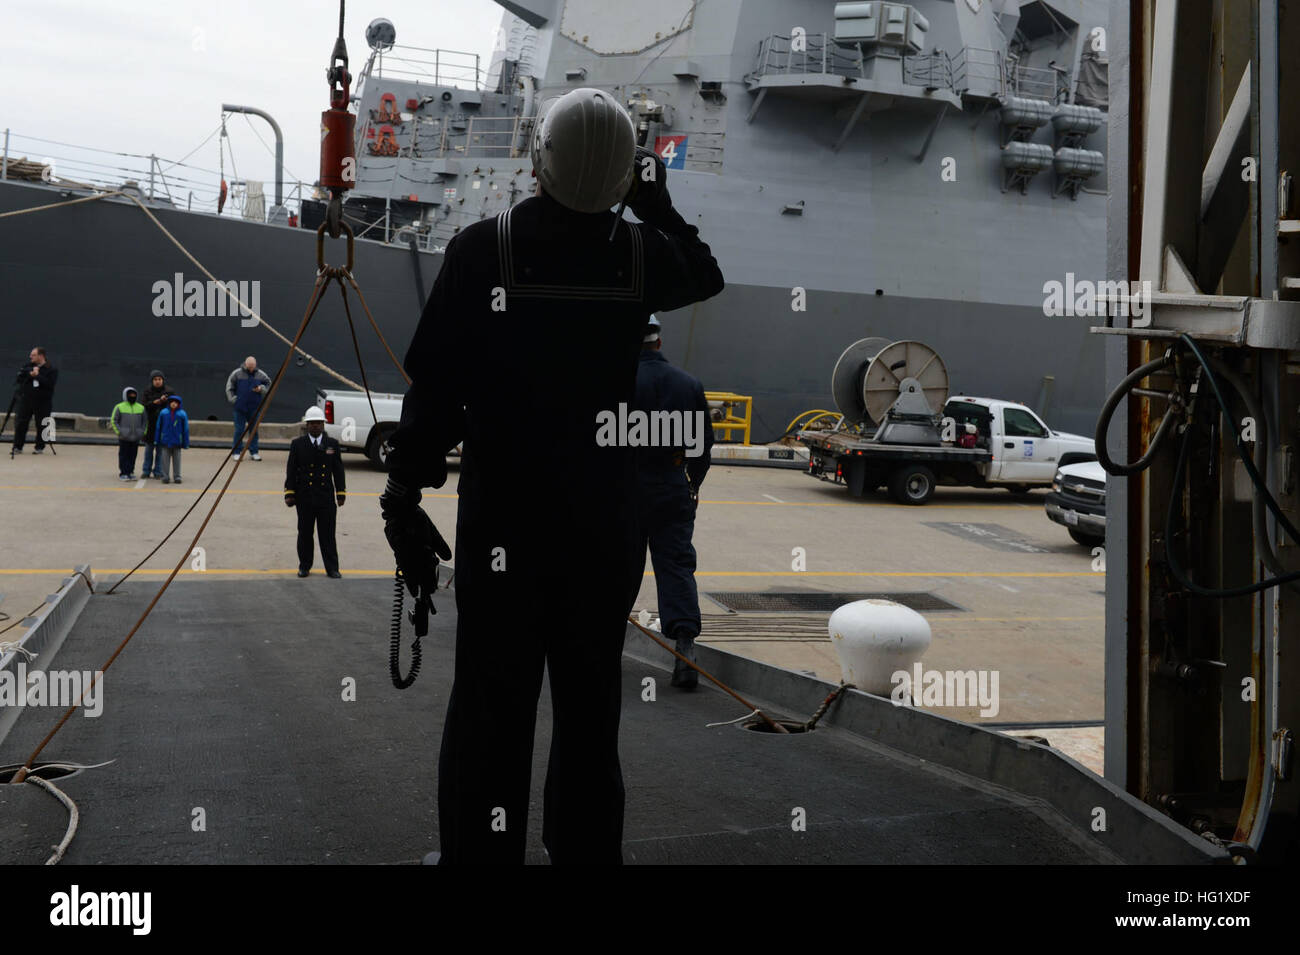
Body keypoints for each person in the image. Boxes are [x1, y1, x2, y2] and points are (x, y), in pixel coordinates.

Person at [379, 87, 725, 864]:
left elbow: (434, 393)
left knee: (489, 709)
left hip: (505, 519)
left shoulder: (481, 249)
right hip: (604, 523)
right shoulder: (638, 256)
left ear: (540, 160)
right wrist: (652, 203)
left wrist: (404, 493)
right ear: (618, 178)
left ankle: (478, 854)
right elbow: (705, 271)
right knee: (589, 705)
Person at [627, 315, 713, 689]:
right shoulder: (688, 384)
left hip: (624, 490)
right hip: (672, 486)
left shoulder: (613, 381)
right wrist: (691, 485)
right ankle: (685, 650)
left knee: (615, 569)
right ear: (659, 342)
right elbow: (703, 448)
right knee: (676, 567)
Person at [284, 406, 346, 578]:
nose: (316, 426)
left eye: (319, 423)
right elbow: (291, 469)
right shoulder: (298, 444)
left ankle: (332, 568)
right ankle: (305, 565)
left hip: (325, 497)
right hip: (305, 497)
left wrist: (341, 493)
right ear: (307, 425)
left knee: (327, 535)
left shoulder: (332, 444)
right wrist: (289, 493)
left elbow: (338, 470)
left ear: (323, 425)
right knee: (304, 533)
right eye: (313, 423)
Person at [11, 347, 58, 455]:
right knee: (21, 423)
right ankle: (18, 446)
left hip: (43, 401)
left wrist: (38, 376)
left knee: (42, 424)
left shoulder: (51, 369)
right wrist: (30, 374)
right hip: (27, 400)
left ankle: (40, 447)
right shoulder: (28, 367)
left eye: (33, 355)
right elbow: (19, 378)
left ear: (41, 356)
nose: (30, 357)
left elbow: (49, 384)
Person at [225, 356, 271, 460]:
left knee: (254, 430)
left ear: (255, 365)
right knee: (239, 430)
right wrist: (233, 400)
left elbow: (269, 384)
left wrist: (261, 388)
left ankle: (254, 452)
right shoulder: (236, 373)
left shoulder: (261, 374)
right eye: (249, 366)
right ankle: (236, 452)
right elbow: (229, 387)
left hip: (254, 407)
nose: (251, 369)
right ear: (245, 364)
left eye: (253, 367)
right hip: (240, 407)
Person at [111, 387, 148, 480]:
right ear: (125, 395)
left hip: (136, 437)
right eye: (130, 395)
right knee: (123, 455)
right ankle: (123, 473)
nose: (132, 396)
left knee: (133, 455)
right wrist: (119, 432)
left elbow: (145, 422)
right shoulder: (119, 407)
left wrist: (142, 432)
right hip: (124, 437)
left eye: (134, 395)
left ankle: (130, 472)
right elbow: (113, 420)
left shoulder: (141, 408)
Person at [141, 369, 172, 479]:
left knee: (160, 451)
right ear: (152, 381)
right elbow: (144, 405)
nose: (157, 381)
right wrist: (157, 402)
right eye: (155, 379)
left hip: (163, 425)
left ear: (163, 380)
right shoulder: (147, 392)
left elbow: (173, 405)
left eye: (159, 379)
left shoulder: (169, 391)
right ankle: (146, 470)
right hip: (150, 425)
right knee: (148, 450)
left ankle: (158, 471)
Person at [153, 394, 189, 484]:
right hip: (165, 441)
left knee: (177, 460)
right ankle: (165, 476)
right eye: (172, 402)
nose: (173, 404)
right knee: (164, 460)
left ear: (179, 404)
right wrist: (157, 439)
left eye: (176, 402)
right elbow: (158, 427)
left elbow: (185, 429)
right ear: (169, 403)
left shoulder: (182, 414)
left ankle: (177, 476)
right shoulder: (163, 413)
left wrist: (185, 442)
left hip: (177, 441)